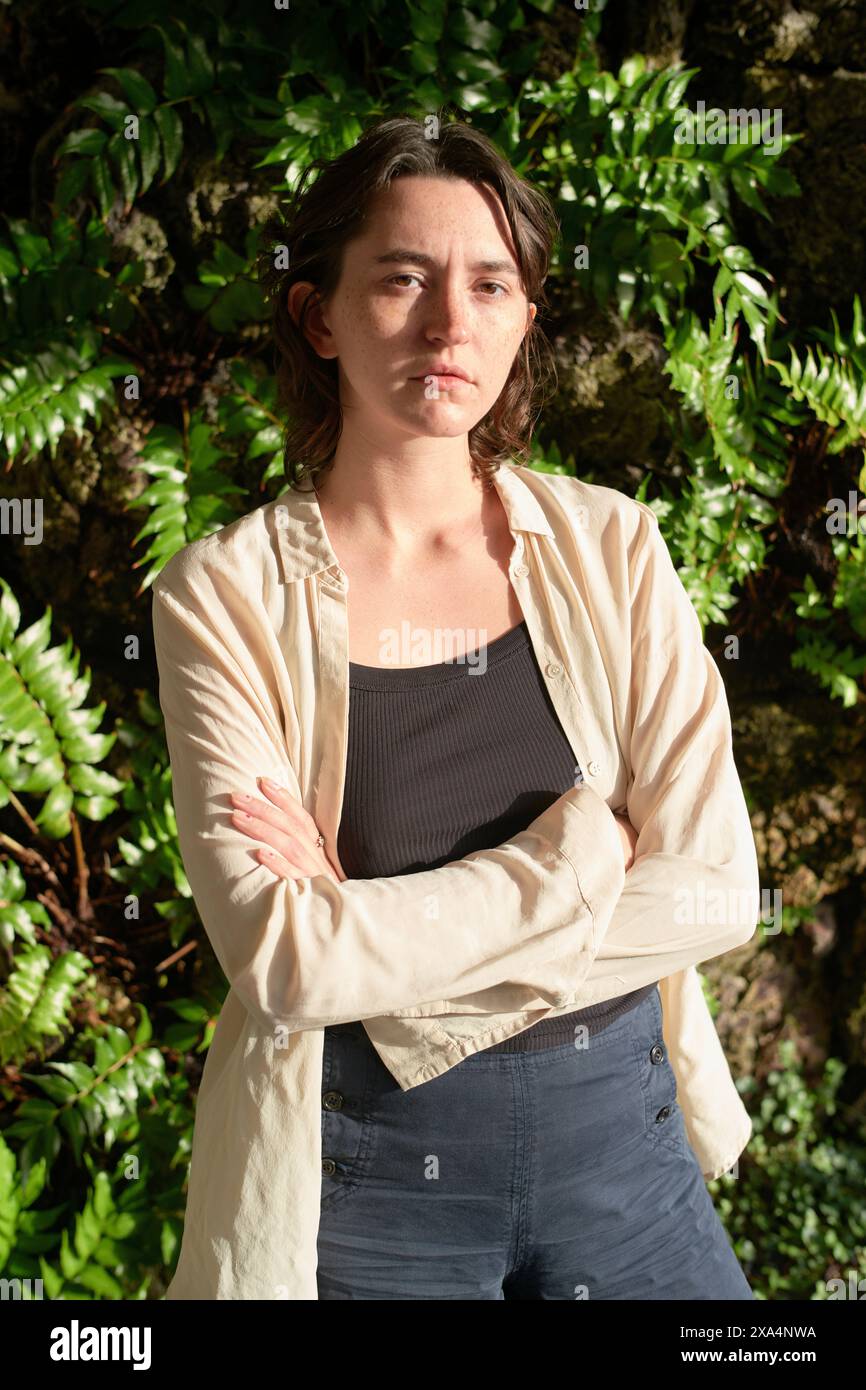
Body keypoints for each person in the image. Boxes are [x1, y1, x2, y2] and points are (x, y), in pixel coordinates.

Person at [153, 115, 759, 1300]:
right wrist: (575, 861)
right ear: (316, 315)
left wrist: (364, 942)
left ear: (524, 317)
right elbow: (281, 959)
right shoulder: (218, 599)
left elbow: (712, 887)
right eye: (400, 279)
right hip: (368, 1191)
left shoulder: (611, 546)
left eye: (489, 285)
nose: (448, 325)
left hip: (625, 1159)